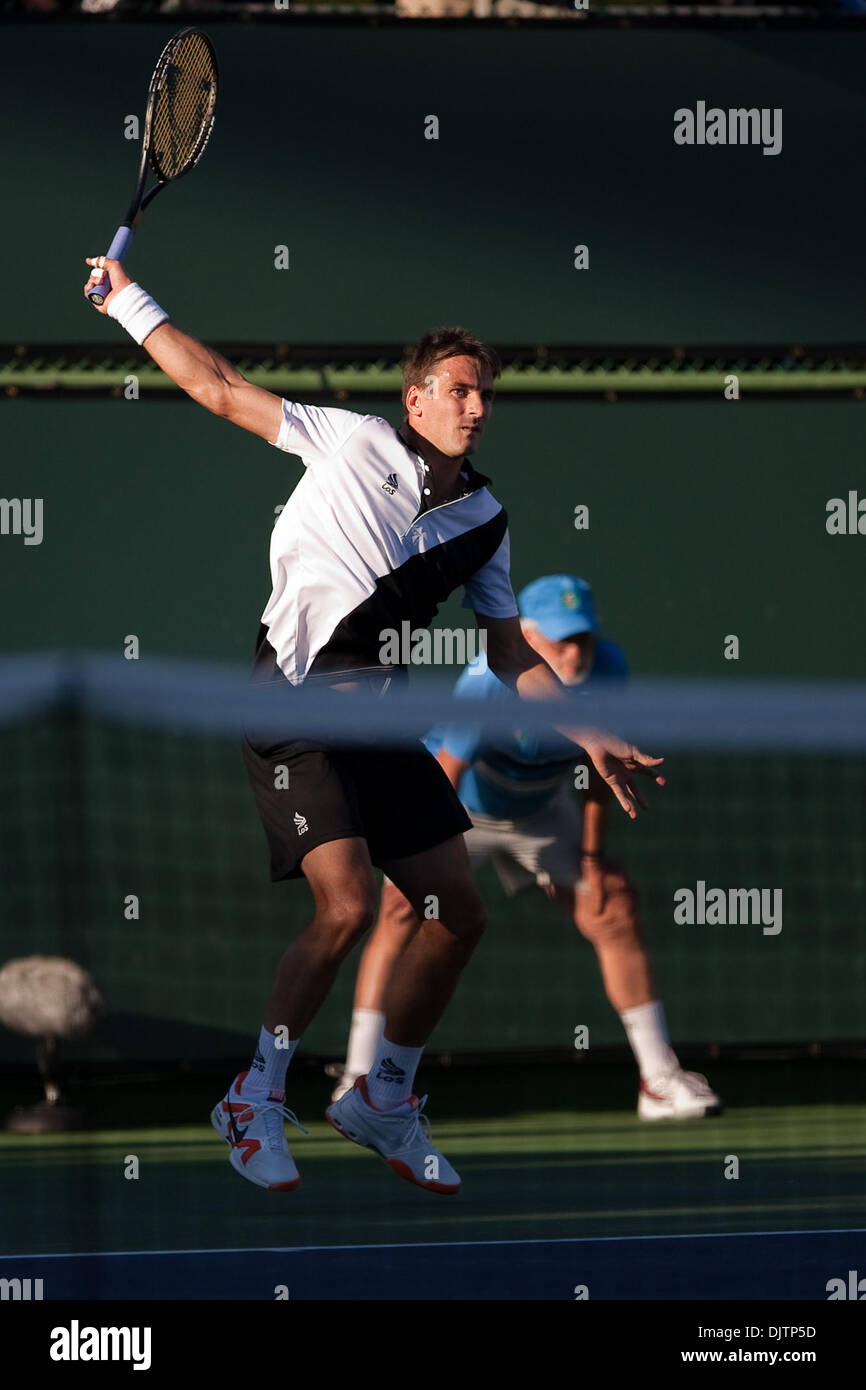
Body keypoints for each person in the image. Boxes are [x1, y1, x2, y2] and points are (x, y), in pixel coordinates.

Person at [83, 253, 665, 1193]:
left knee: (459, 913)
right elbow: (221, 388)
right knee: (348, 903)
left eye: (485, 395)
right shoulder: (350, 440)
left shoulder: (485, 518)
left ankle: (381, 1099)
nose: (477, 407)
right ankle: (255, 1095)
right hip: (293, 709)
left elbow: (513, 654)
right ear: (418, 396)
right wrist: (127, 299)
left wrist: (592, 733)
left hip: (386, 721)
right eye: (461, 390)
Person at [330, 574, 721, 1120]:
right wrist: (418, 854)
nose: (573, 650)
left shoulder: (608, 670)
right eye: (560, 638)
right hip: (458, 805)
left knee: (614, 906)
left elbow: (599, 765)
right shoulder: (487, 680)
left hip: (539, 811)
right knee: (399, 909)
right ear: (527, 637)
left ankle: (658, 1081)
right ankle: (356, 1076)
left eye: (581, 637)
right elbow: (449, 767)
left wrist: (590, 859)